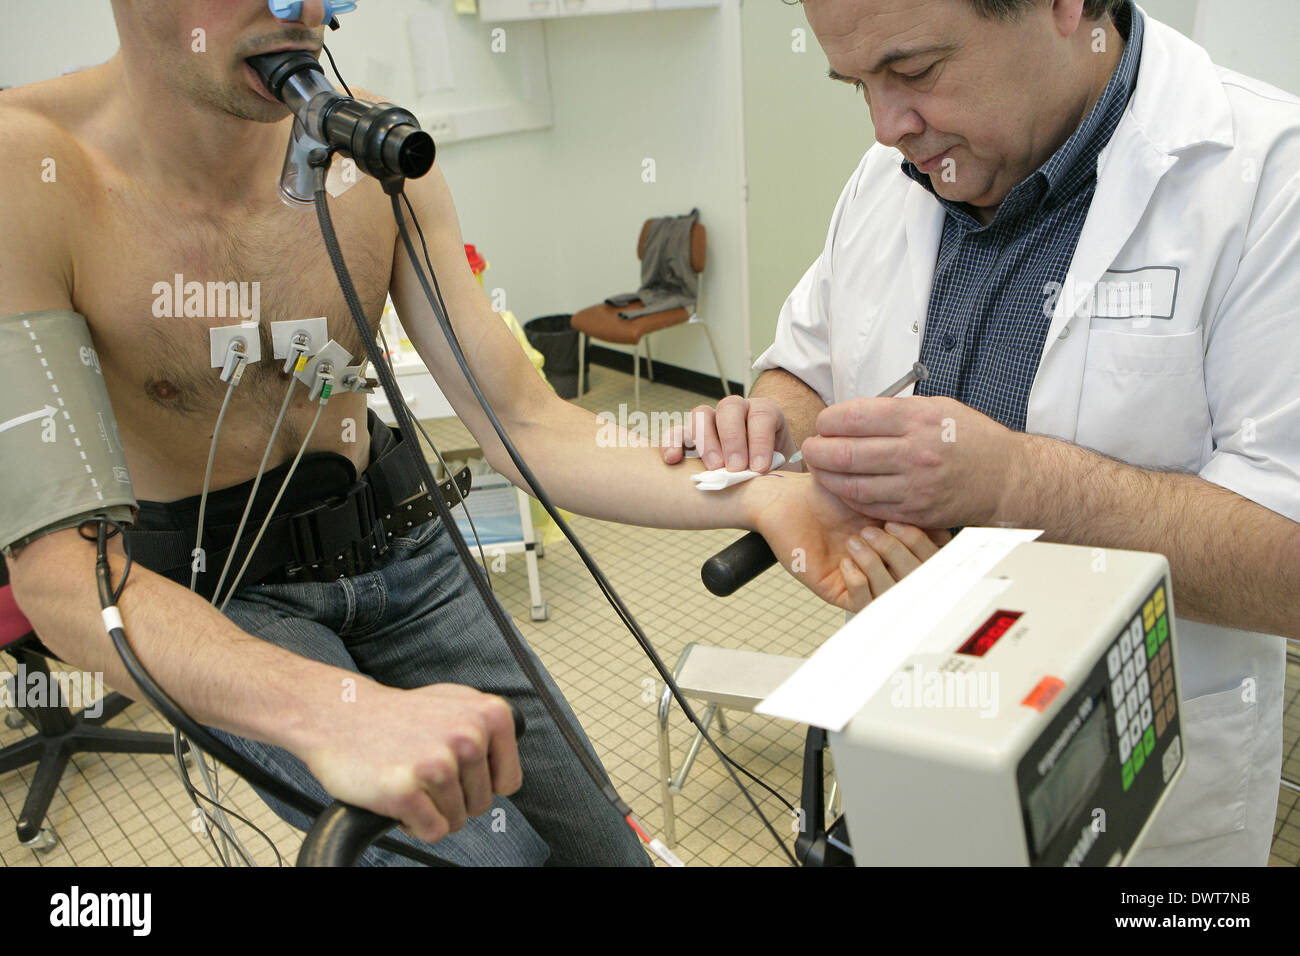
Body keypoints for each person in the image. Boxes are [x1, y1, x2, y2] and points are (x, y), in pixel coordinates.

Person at [0, 0, 929, 866]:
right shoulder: (28, 172)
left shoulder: (371, 153)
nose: (299, 17)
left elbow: (525, 424)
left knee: (604, 849)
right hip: (221, 590)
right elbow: (64, 578)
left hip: (404, 544)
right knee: (491, 856)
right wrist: (332, 713)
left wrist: (764, 491)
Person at [665, 0, 1300, 865]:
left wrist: (1014, 486)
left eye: (916, 72)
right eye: (858, 85)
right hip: (910, 742)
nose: (888, 126)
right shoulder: (894, 172)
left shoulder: (1266, 178)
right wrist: (773, 420)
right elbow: (804, 364)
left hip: (1144, 800)